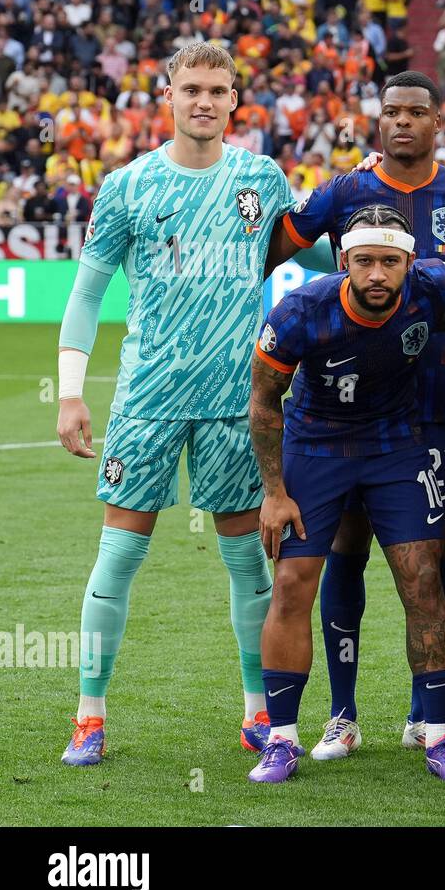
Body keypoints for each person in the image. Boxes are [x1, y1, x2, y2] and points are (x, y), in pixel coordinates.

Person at [56, 43, 295, 766]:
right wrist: (71, 395)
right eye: (190, 88)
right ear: (167, 95)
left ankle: (259, 712)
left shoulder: (262, 179)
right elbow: (87, 295)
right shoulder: (128, 186)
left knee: (249, 567)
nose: (204, 100)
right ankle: (89, 715)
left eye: (217, 90)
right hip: (148, 401)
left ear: (233, 100)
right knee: (118, 557)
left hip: (237, 406)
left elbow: (319, 263)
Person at [269, 70, 445, 760]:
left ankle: (425, 714)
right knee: (343, 546)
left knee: (434, 555)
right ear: (379, 121)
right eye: (390, 112)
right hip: (344, 410)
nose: (401, 123)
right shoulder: (345, 190)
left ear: (438, 122)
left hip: (436, 404)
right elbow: (274, 247)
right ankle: (341, 712)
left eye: (415, 113)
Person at [247, 205, 445, 784]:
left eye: (389, 261)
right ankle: (281, 740)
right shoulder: (302, 310)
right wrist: (275, 493)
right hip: (317, 447)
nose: (377, 273)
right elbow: (262, 402)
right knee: (291, 585)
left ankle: (439, 736)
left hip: (395, 448)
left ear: (409, 262)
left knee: (423, 580)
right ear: (343, 262)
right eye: (364, 262)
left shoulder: (429, 286)